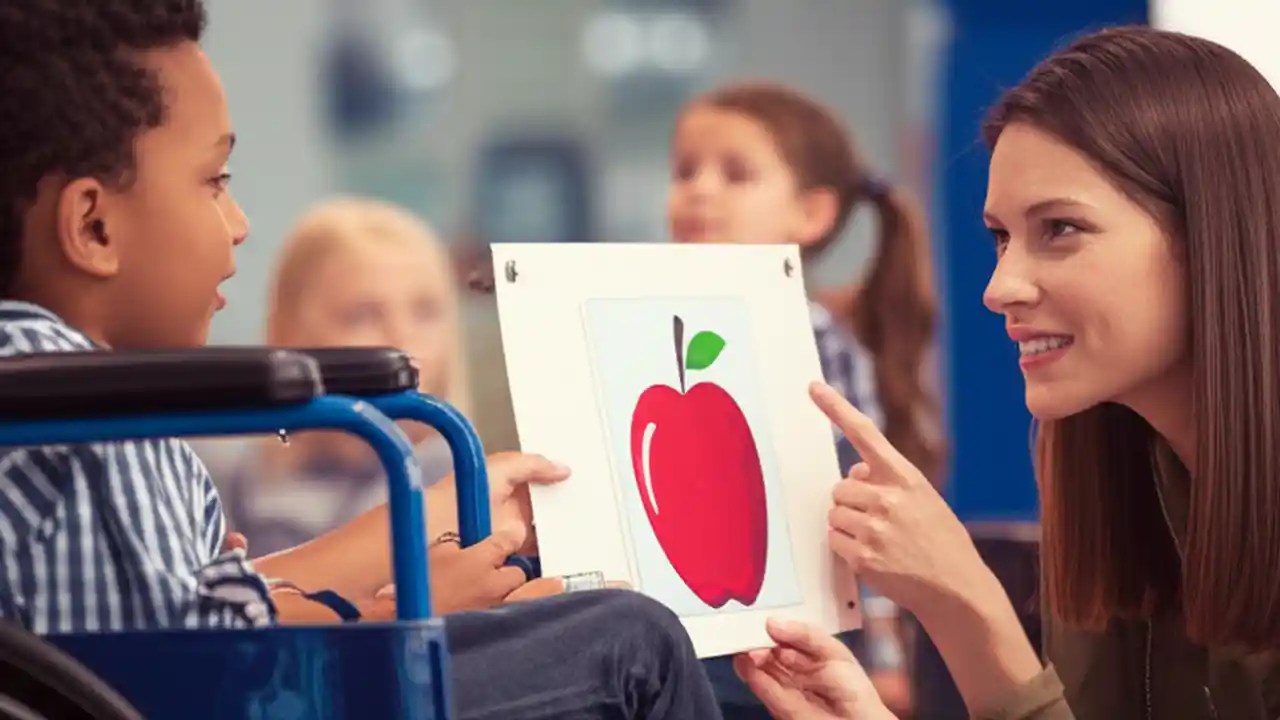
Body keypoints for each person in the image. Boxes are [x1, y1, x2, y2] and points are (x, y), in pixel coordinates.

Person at [0, 3, 722, 718]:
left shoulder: (46, 389)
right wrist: (399, 618)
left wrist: (405, 552)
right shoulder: (75, 409)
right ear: (93, 226)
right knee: (633, 639)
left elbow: (183, 619)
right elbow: (211, 674)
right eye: (214, 181)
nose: (240, 222)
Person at [737, 25, 1280, 720]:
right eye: (1001, 236)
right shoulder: (1119, 485)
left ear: (1211, 234)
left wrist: (967, 605)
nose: (1000, 286)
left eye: (1060, 228)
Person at [667, 81, 941, 716]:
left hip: (796, 652)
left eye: (736, 174)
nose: (699, 189)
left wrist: (885, 657)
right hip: (689, 634)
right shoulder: (661, 339)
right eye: (685, 170)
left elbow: (860, 500)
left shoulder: (816, 344)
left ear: (812, 214)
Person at [216, 197, 471, 556]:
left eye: (425, 312)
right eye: (362, 315)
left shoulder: (467, 485)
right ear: (290, 332)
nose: (401, 340)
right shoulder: (219, 486)